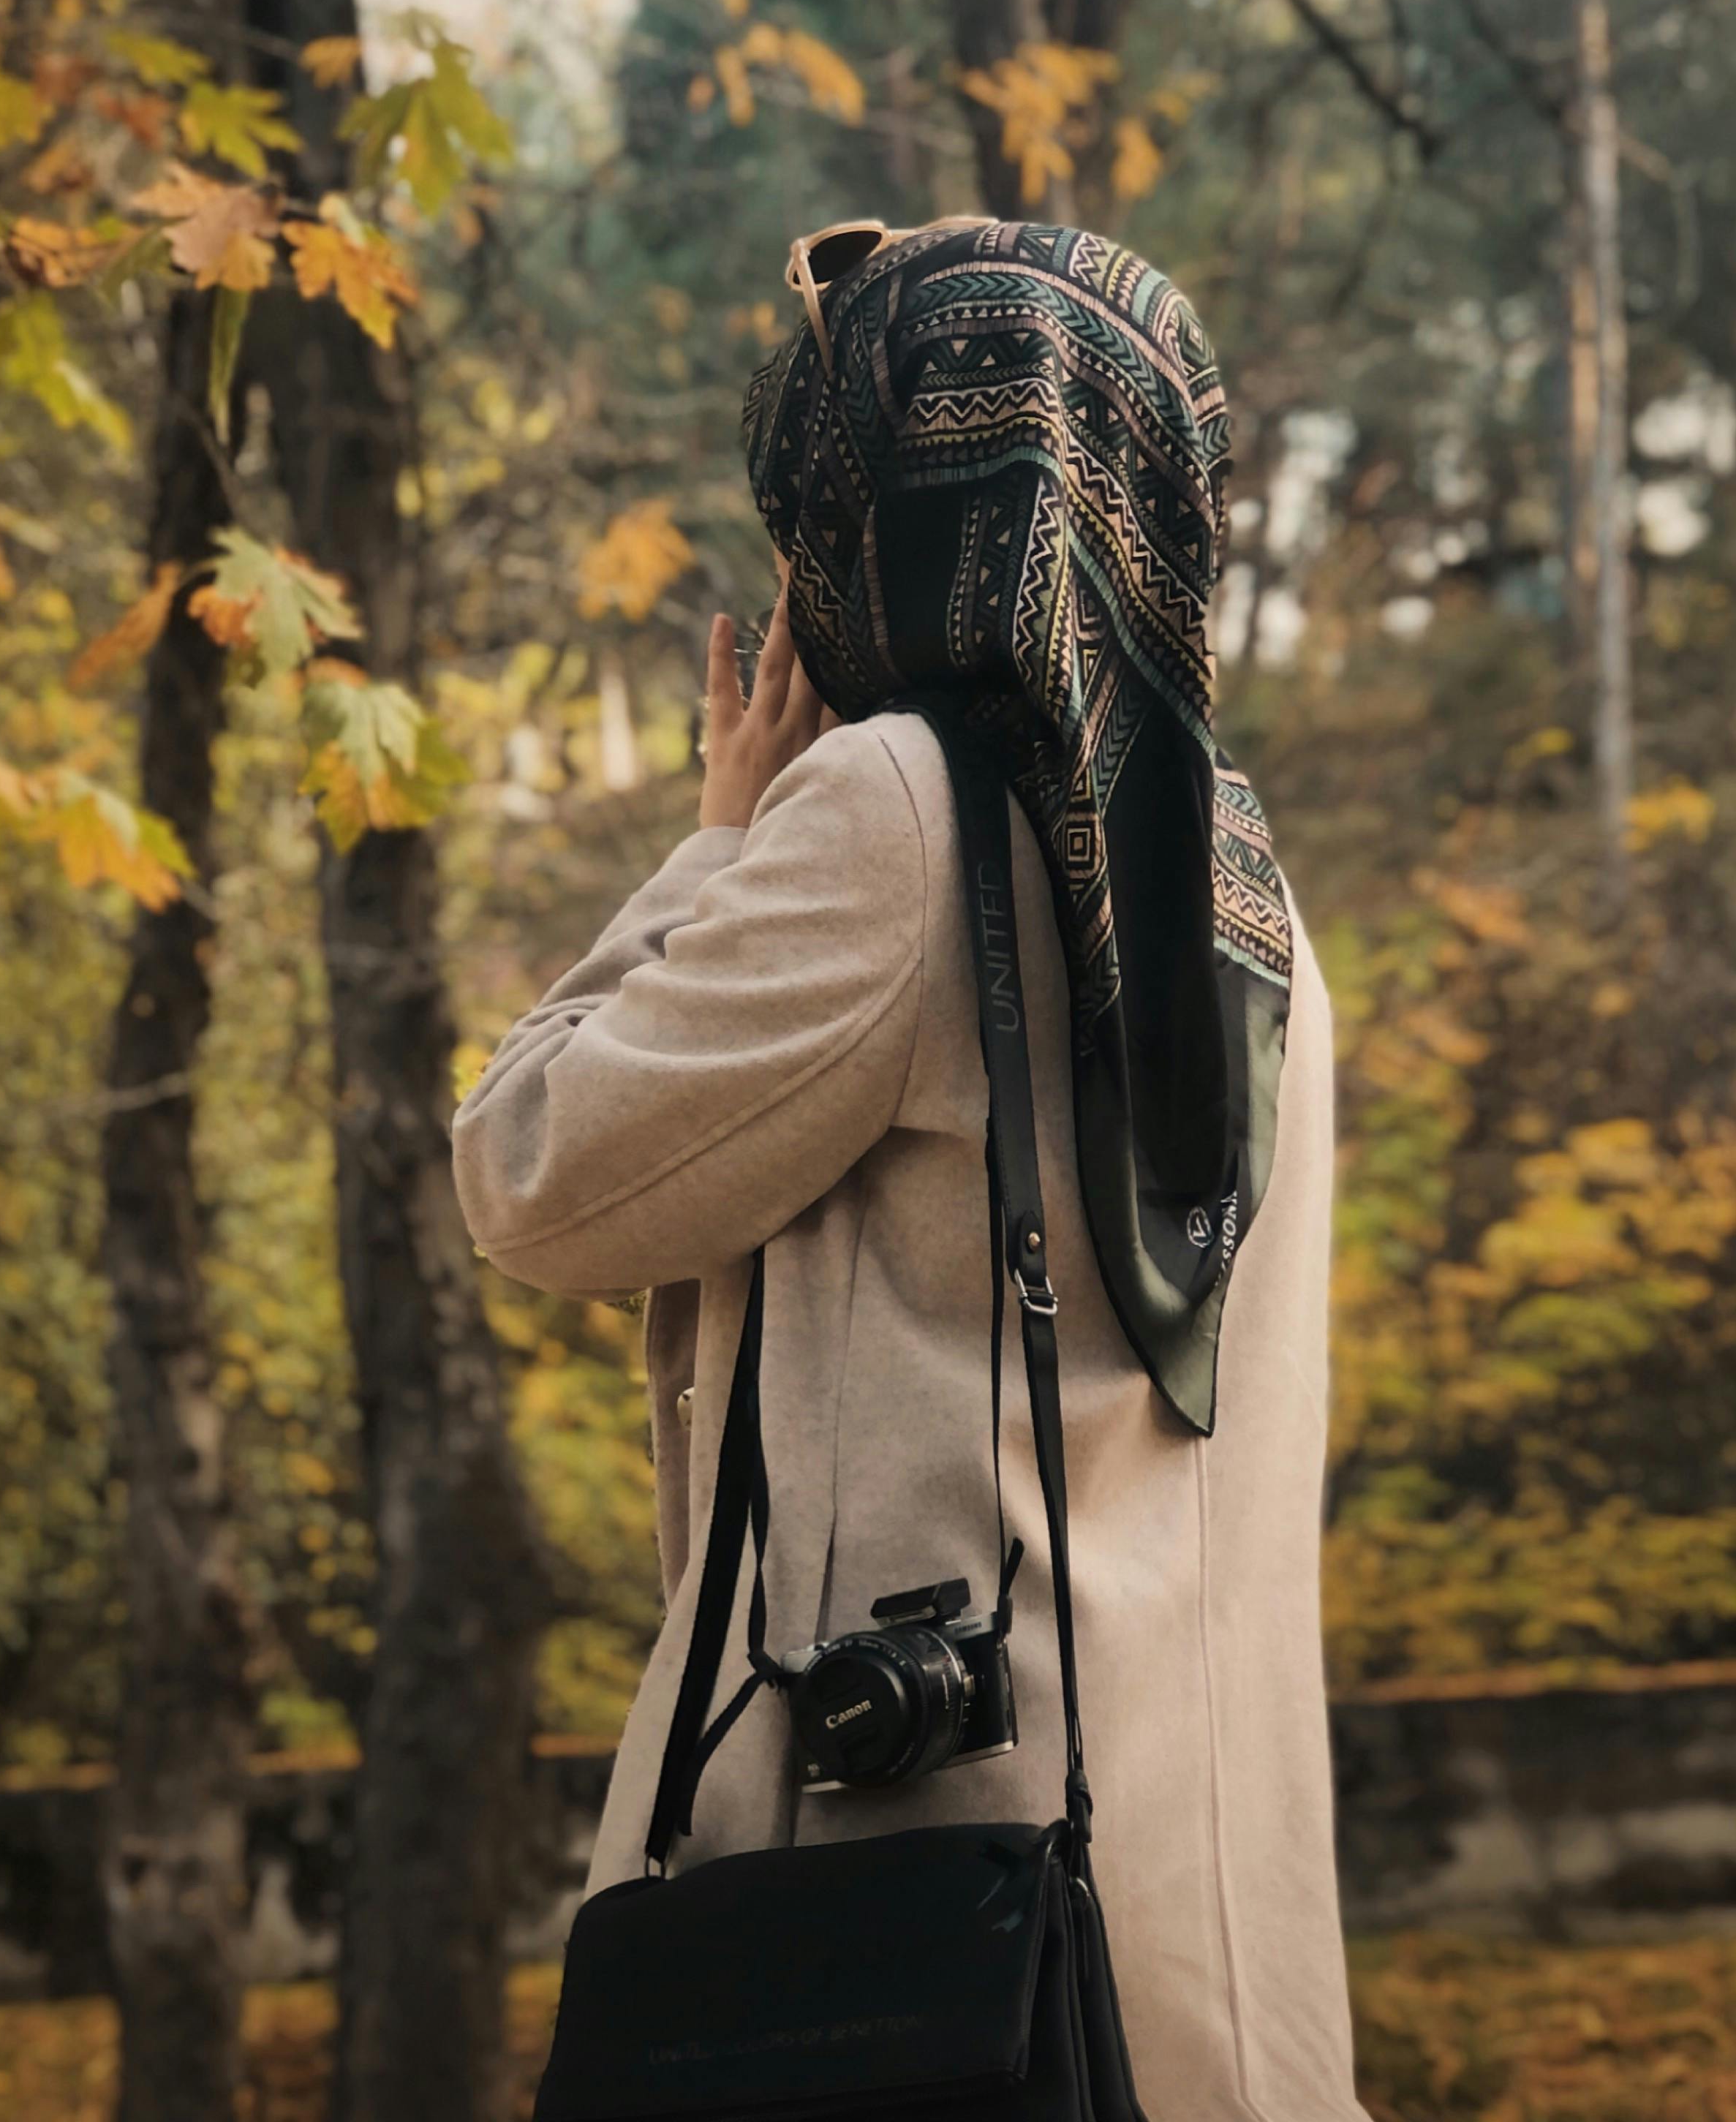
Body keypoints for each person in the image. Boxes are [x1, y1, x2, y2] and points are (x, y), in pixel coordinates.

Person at [453, 218, 1364, 2122]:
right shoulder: (1234, 875)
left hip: (918, 1936)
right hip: (1200, 1940)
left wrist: (717, 842)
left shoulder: (894, 815)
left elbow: (534, 1173)